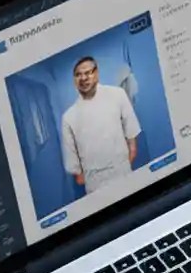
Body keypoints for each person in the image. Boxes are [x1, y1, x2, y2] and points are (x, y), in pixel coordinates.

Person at [61, 56, 142, 194]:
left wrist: (120, 167)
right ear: (74, 80)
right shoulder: (68, 117)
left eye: (88, 73)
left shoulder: (118, 95)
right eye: (78, 75)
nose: (83, 78)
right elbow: (77, 175)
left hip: (123, 174)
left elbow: (132, 141)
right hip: (95, 187)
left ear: (96, 73)